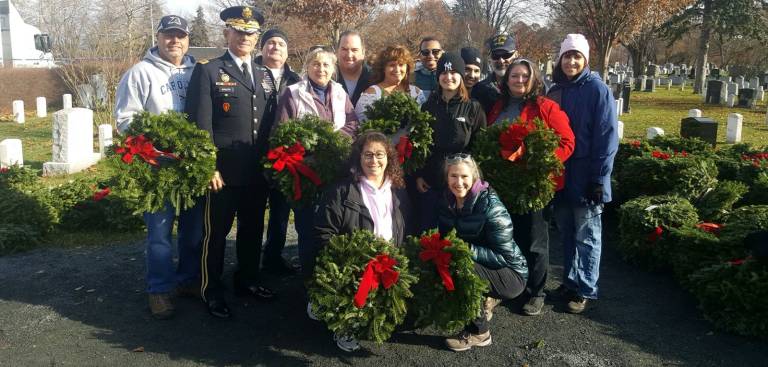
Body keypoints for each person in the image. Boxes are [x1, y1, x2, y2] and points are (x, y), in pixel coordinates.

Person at [185, 5, 277, 319]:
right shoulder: (209, 69)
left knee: (252, 230)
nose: (245, 37)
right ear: (227, 32)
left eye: (251, 33)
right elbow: (200, 123)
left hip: (256, 171)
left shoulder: (265, 74)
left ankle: (247, 280)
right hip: (221, 172)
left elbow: (269, 123)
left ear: (257, 37)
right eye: (238, 31)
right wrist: (207, 166)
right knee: (216, 234)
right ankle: (211, 290)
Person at [114, 15, 202, 320]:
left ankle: (189, 280)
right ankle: (160, 289)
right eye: (168, 35)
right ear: (158, 37)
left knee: (194, 229)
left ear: (188, 39)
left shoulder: (198, 72)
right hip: (158, 164)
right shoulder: (139, 73)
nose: (174, 41)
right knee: (160, 232)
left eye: (180, 35)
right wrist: (151, 142)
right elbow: (125, 119)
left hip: (192, 164)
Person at [486, 59, 575, 316]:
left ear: (534, 79)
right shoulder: (498, 107)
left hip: (534, 185)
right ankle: (509, 286)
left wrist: (540, 167)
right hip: (504, 185)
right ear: (507, 79)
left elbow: (567, 142)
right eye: (515, 76)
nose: (520, 80)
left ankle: (536, 292)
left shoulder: (546, 107)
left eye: (525, 76)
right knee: (507, 237)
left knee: (535, 241)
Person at [313, 131, 413, 352]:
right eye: (368, 155)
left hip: (388, 263)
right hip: (352, 267)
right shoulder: (340, 192)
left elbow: (406, 229)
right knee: (351, 309)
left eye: (380, 154)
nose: (374, 161)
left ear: (389, 157)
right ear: (358, 158)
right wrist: (346, 264)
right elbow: (323, 234)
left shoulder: (399, 190)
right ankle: (338, 318)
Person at [546, 34, 618, 314]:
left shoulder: (597, 90)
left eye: (577, 56)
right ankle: (569, 280)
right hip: (562, 174)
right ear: (560, 59)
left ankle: (586, 287)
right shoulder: (557, 89)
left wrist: (599, 179)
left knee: (587, 235)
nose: (571, 61)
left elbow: (607, 137)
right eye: (567, 56)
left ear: (585, 59)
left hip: (587, 175)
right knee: (567, 232)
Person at [275, 47, 358, 287]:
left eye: (326, 65)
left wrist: (332, 141)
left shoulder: (340, 92)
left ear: (333, 68)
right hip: (305, 171)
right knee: (307, 227)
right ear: (308, 67)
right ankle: (310, 280)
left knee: (332, 223)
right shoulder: (293, 94)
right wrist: (311, 146)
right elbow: (283, 132)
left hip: (335, 169)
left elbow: (353, 125)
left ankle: (332, 279)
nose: (321, 69)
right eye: (316, 64)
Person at [438, 154, 528, 352]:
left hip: (511, 273)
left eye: (464, 177)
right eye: (453, 176)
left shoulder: (491, 207)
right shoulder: (447, 201)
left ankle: (480, 333)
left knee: (460, 265)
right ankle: (486, 297)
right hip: (482, 265)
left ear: (474, 178)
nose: (458, 182)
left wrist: (465, 250)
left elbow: (504, 256)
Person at [415, 52, 486, 232]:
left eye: (453, 72)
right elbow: (421, 144)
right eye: (444, 73)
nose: (448, 77)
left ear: (461, 76)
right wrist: (420, 174)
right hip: (432, 180)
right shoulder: (428, 106)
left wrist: (475, 182)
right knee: (429, 231)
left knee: (456, 235)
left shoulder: (473, 107)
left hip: (460, 185)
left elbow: (480, 146)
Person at [253, 28, 302, 276]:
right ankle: (249, 263)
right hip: (255, 151)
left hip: (285, 154)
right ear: (261, 48)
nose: (275, 48)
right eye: (270, 43)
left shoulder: (296, 79)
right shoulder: (251, 72)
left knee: (281, 211)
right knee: (253, 211)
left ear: (287, 49)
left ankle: (273, 256)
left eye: (280, 43)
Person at [354, 45, 426, 121]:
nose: (397, 69)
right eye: (392, 65)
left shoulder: (417, 92)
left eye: (401, 65)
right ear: (383, 68)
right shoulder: (372, 94)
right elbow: (362, 125)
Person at [472, 34, 518, 113]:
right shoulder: (479, 90)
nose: (501, 61)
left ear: (516, 55)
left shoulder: (527, 88)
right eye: (496, 56)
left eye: (506, 55)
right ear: (489, 58)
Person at [333, 31, 372, 106]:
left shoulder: (375, 78)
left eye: (354, 50)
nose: (349, 55)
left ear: (363, 53)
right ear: (337, 52)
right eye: (344, 49)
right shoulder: (327, 78)